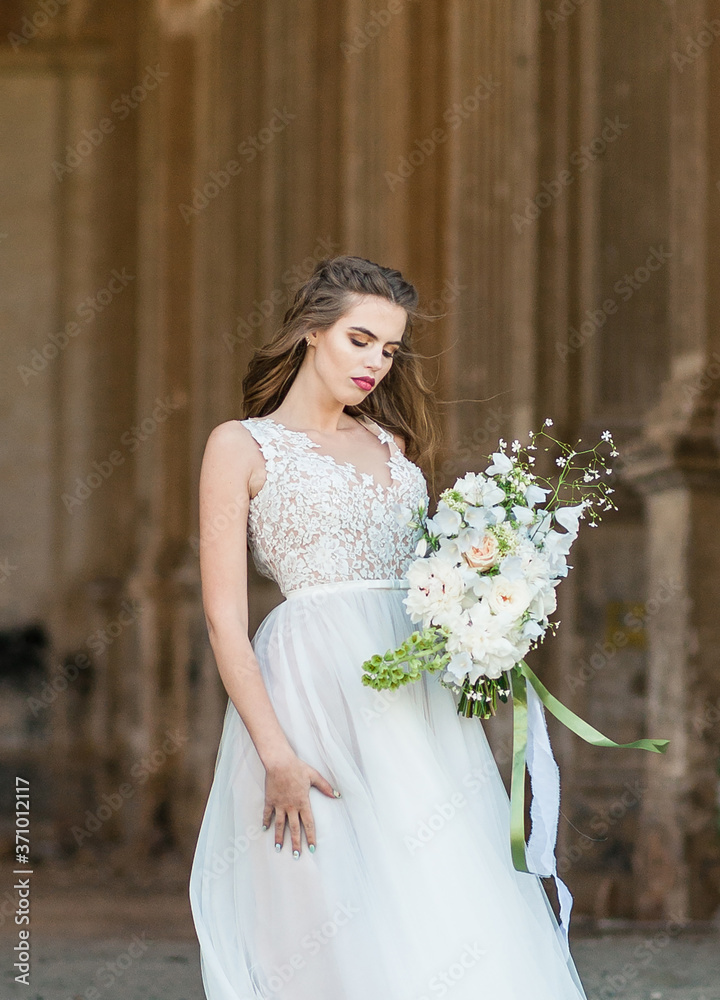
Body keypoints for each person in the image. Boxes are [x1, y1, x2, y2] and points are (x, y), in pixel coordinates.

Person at [189, 255, 587, 999]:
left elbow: (427, 577)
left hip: (413, 692)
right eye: (360, 340)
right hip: (309, 686)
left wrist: (485, 608)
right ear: (313, 332)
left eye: (390, 350)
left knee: (436, 873)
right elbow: (222, 617)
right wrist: (275, 752)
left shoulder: (393, 448)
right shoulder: (240, 445)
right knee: (325, 889)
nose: (376, 363)